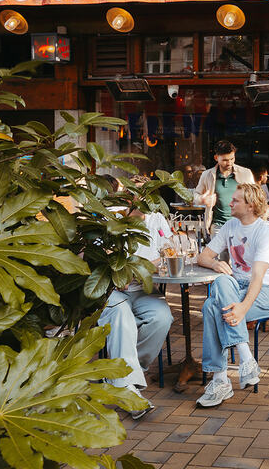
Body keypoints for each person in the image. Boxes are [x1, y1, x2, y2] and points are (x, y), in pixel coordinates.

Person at [194, 184, 269, 408]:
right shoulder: (230, 226)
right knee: (222, 280)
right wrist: (215, 263)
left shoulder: (265, 234)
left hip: (265, 291)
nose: (229, 203)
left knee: (211, 309)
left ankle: (221, 379)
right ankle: (246, 358)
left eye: (235, 201)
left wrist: (242, 308)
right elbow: (203, 256)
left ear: (250, 206)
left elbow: (258, 278)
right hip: (235, 287)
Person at [98, 175, 174, 420]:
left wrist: (138, 270)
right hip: (113, 290)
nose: (142, 198)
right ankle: (128, 390)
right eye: (137, 192)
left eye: (148, 194)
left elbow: (169, 252)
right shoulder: (112, 217)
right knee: (123, 318)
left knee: (163, 318)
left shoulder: (157, 219)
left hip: (145, 289)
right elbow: (100, 254)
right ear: (126, 193)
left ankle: (124, 375)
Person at [193, 140, 255, 230]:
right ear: (216, 158)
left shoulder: (245, 173)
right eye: (225, 160)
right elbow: (195, 196)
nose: (229, 163)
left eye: (232, 159)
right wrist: (202, 199)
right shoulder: (207, 175)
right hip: (218, 226)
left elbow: (256, 197)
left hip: (242, 225)